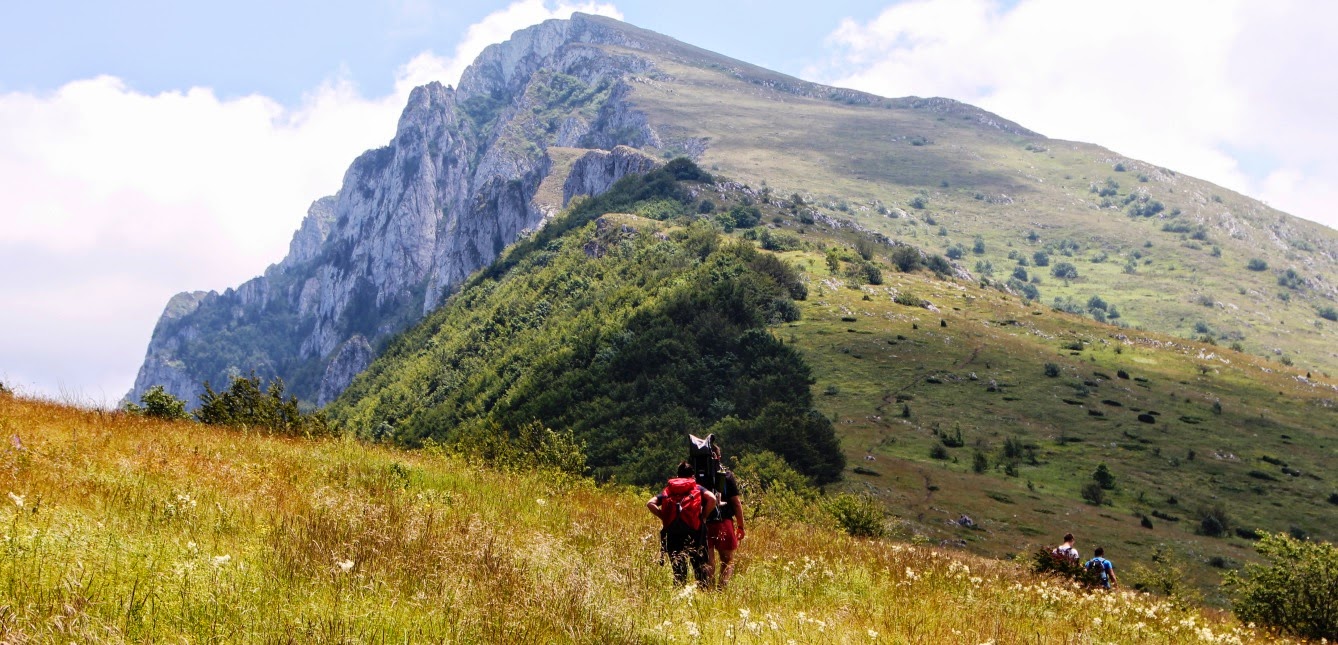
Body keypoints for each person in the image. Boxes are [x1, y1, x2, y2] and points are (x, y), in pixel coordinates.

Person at [648, 461, 718, 587]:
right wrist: (703, 517)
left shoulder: (669, 489)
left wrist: (663, 517)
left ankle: (680, 593)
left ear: (677, 475)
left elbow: (650, 503)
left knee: (678, 569)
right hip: (695, 532)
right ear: (692, 476)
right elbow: (712, 499)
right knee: (700, 566)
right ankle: (702, 593)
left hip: (673, 532)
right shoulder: (696, 487)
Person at [703, 444, 745, 589]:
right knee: (727, 561)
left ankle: (707, 591)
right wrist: (740, 526)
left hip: (703, 523)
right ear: (719, 457)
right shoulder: (726, 476)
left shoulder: (696, 476)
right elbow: (736, 503)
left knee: (708, 561)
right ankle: (722, 589)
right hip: (724, 522)